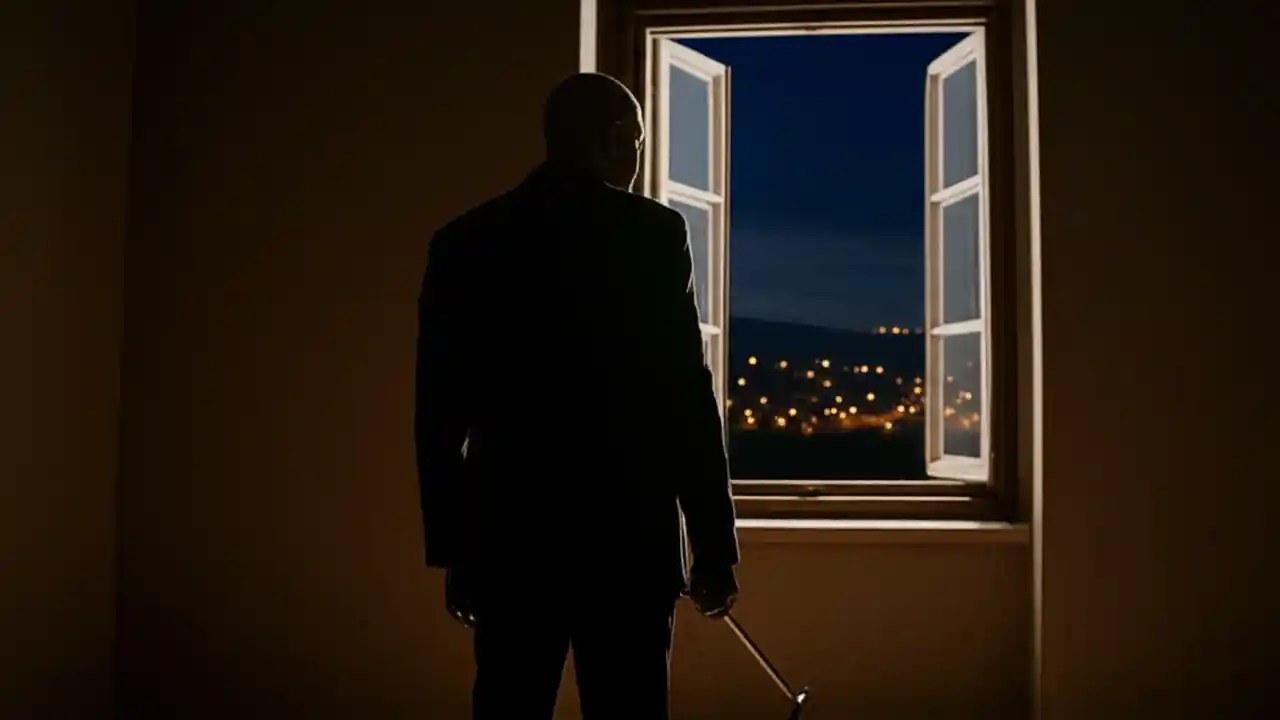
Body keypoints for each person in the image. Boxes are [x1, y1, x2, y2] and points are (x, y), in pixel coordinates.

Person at [414, 72, 740, 719]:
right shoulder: (651, 235)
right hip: (627, 540)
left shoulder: (464, 241)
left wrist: (456, 548)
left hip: (509, 537)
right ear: (616, 140)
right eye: (638, 140)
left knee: (509, 704)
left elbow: (438, 410)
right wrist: (713, 548)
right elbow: (684, 399)